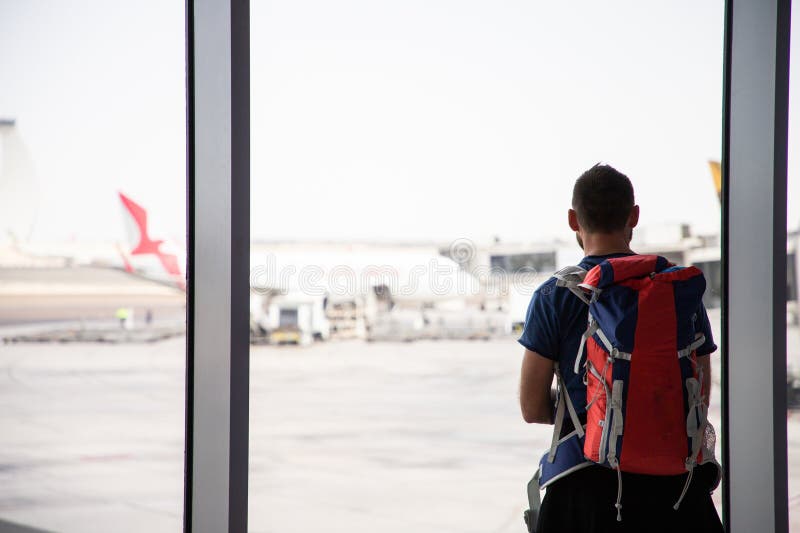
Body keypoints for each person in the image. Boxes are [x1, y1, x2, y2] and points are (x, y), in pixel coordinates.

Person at [518, 164, 723, 533]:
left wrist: (597, 408)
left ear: (572, 220)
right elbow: (700, 393)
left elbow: (532, 407)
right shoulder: (678, 291)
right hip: (675, 491)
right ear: (634, 215)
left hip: (584, 492)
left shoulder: (554, 296)